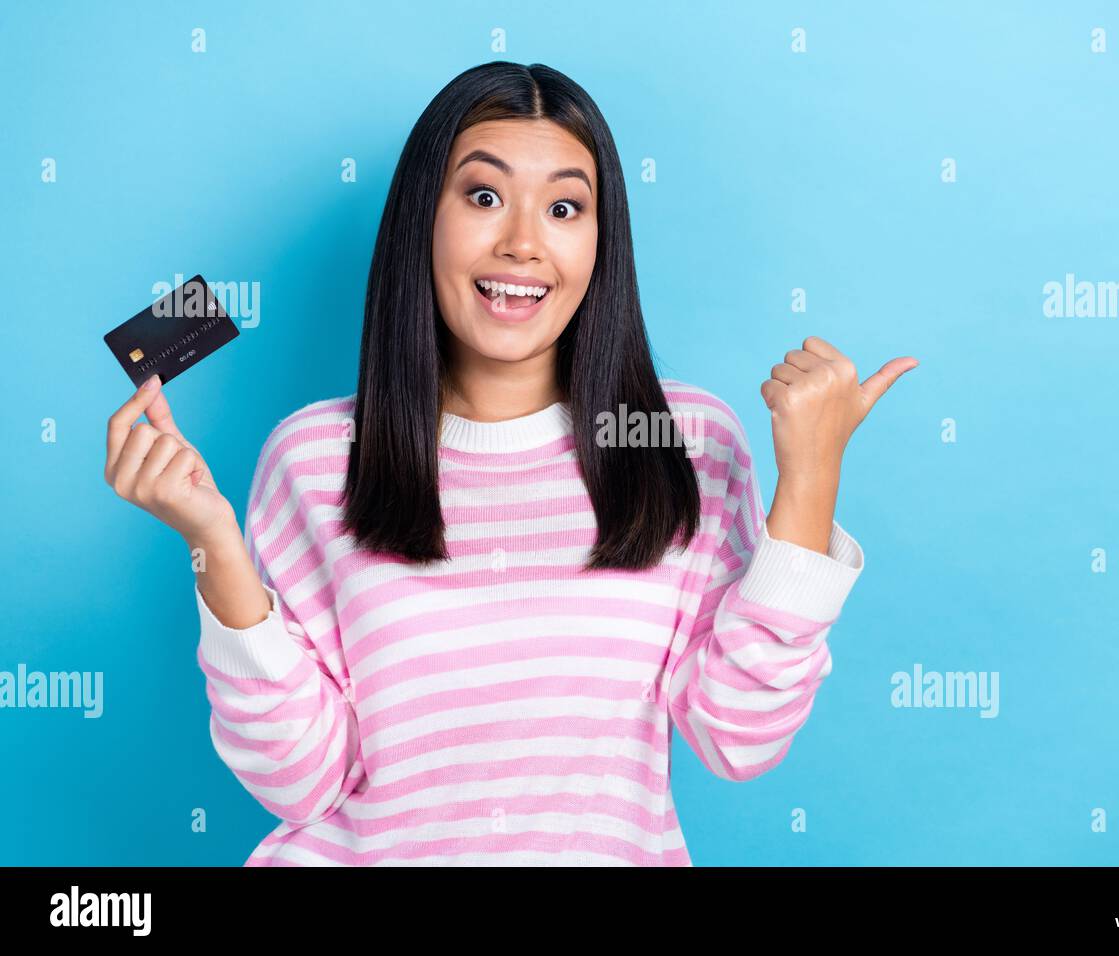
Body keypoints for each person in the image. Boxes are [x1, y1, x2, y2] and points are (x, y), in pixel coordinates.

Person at [104, 61, 917, 866]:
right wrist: (210, 540)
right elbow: (301, 782)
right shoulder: (316, 457)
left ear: (603, 241)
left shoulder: (682, 442)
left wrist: (810, 481)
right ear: (424, 216)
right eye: (484, 197)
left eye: (564, 207)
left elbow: (737, 737)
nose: (523, 243)